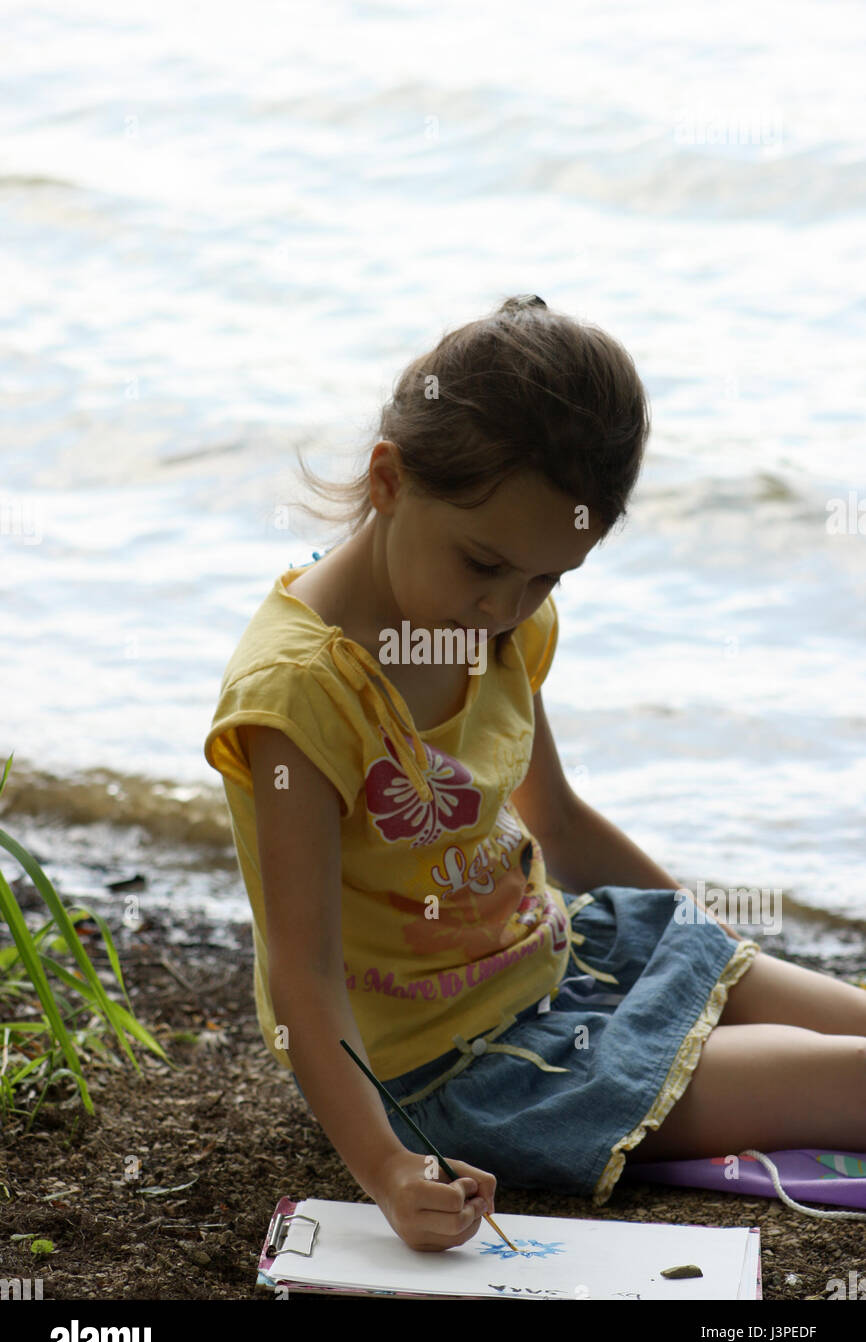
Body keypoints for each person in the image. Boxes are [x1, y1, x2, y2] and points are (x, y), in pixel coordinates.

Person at [204, 294, 866, 1253]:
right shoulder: (301, 699)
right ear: (390, 479)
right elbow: (301, 977)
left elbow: (557, 816)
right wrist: (389, 1171)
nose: (507, 607)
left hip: (566, 952)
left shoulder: (498, 619)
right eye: (487, 563)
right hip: (464, 1069)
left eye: (549, 579)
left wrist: (704, 948)